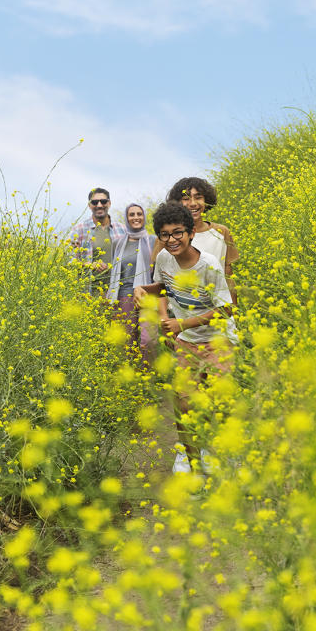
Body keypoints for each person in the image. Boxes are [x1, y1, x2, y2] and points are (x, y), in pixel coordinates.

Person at [134, 201, 236, 474]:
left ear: (191, 233)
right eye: (165, 234)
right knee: (184, 404)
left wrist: (183, 324)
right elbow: (165, 288)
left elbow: (225, 309)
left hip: (217, 339)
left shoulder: (208, 265)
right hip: (186, 341)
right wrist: (143, 290)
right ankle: (193, 465)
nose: (171, 239)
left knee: (220, 401)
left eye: (178, 232)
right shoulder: (165, 258)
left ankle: (221, 453)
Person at [106, 203, 157, 365]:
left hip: (148, 296)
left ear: (144, 217)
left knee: (149, 340)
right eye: (132, 214)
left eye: (139, 214)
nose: (136, 217)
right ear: (127, 219)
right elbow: (113, 272)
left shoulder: (153, 241)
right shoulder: (118, 243)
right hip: (123, 296)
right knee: (127, 341)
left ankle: (148, 377)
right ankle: (130, 382)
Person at [68, 187, 127, 296]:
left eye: (103, 201)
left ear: (109, 203)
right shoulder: (79, 230)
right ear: (89, 205)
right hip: (89, 295)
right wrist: (90, 265)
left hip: (119, 293)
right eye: (95, 202)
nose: (99, 205)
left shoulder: (122, 229)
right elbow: (70, 262)